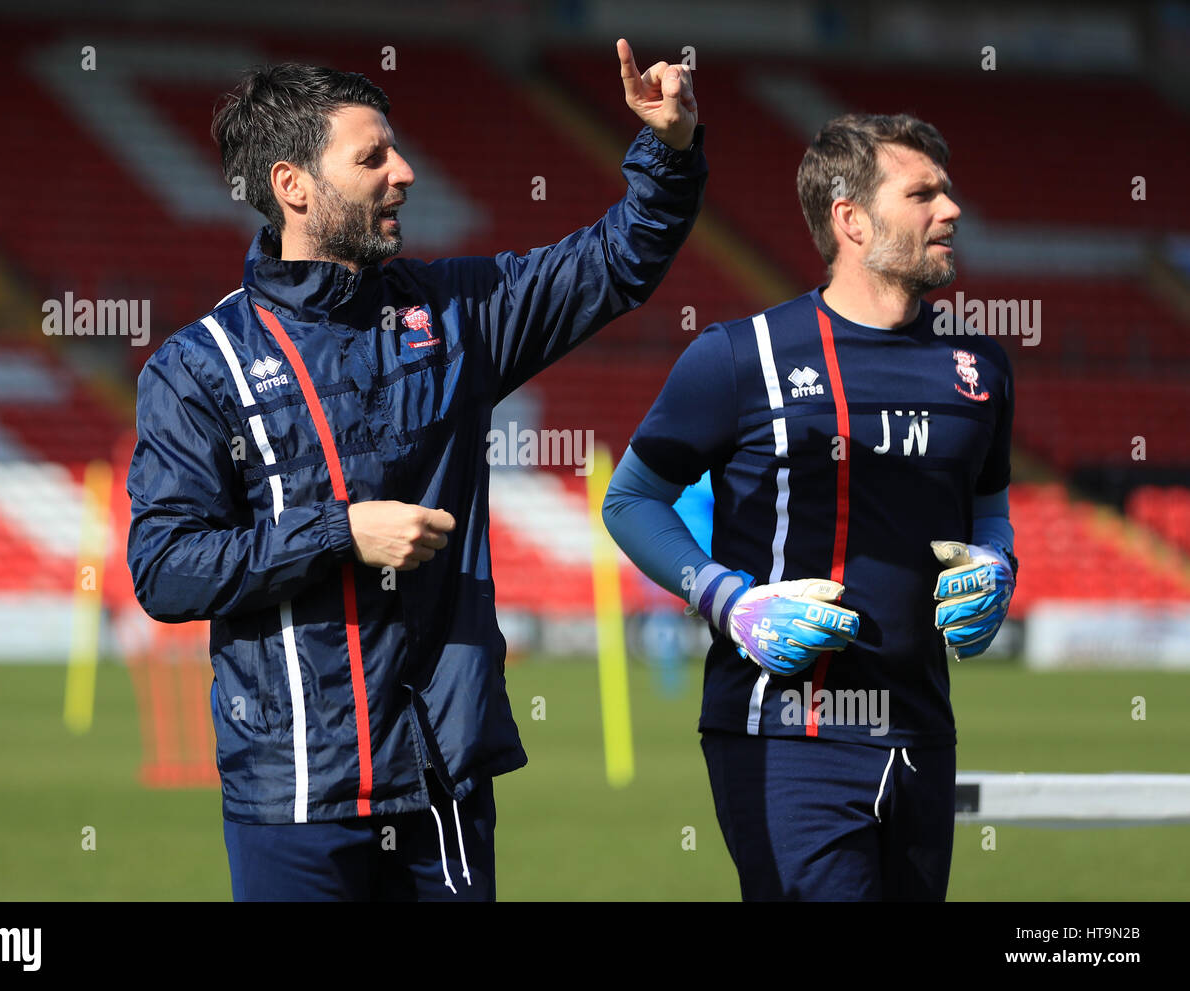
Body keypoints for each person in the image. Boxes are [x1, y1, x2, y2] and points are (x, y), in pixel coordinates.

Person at [125, 41, 703, 901]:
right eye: (372, 157)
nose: (405, 171)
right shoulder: (200, 366)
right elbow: (165, 568)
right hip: (293, 792)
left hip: (442, 781)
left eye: (395, 149)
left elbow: (615, 264)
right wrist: (340, 532)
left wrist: (669, 150)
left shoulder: (453, 312)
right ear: (293, 186)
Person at [602, 113, 1016, 901]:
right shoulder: (739, 357)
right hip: (788, 732)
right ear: (851, 219)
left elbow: (988, 505)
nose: (951, 210)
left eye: (949, 191)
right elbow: (631, 500)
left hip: (924, 730)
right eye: (923, 192)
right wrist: (731, 600)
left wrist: (998, 560)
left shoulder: (980, 366)